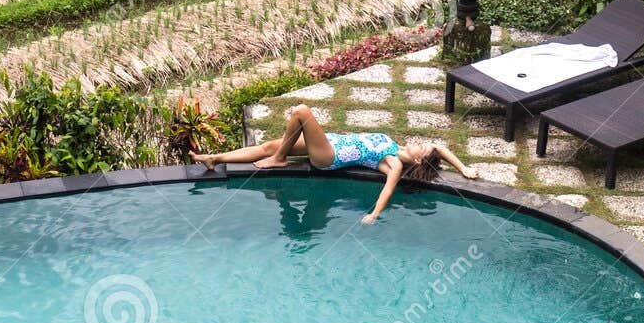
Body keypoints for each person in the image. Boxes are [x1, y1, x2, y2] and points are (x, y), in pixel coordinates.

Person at [192, 102, 479, 224]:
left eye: (421, 146)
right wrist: (463, 168)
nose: (420, 141)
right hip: (331, 140)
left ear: (417, 159)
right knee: (269, 145)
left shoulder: (394, 163)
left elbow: (387, 191)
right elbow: (440, 147)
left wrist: (374, 214)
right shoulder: (397, 146)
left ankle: (279, 160)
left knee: (302, 112)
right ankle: (214, 158)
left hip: (329, 156)